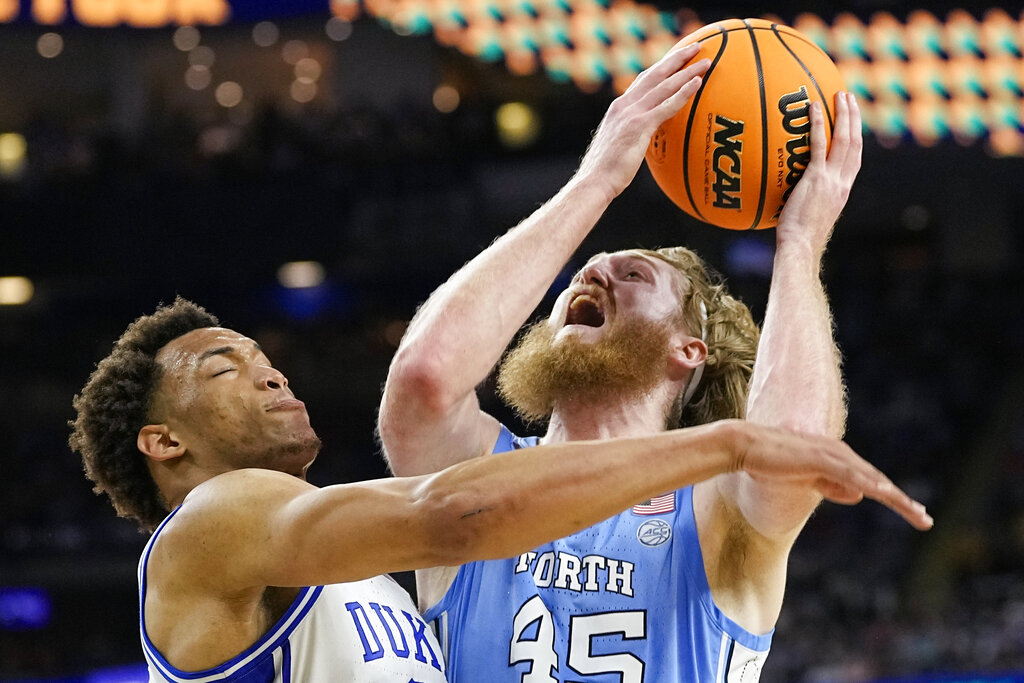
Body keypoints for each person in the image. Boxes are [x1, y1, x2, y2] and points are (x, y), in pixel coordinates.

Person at [377, 42, 931, 680]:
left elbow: (795, 446)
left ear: (688, 350)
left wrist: (801, 244)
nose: (593, 271)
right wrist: (594, 182)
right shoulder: (477, 470)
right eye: (585, 271)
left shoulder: (714, 511)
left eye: (634, 274)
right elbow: (425, 378)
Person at [68, 296, 928, 682]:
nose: (272, 374)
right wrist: (723, 442)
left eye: (266, 358)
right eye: (226, 368)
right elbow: (451, 512)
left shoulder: (365, 579)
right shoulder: (209, 525)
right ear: (164, 440)